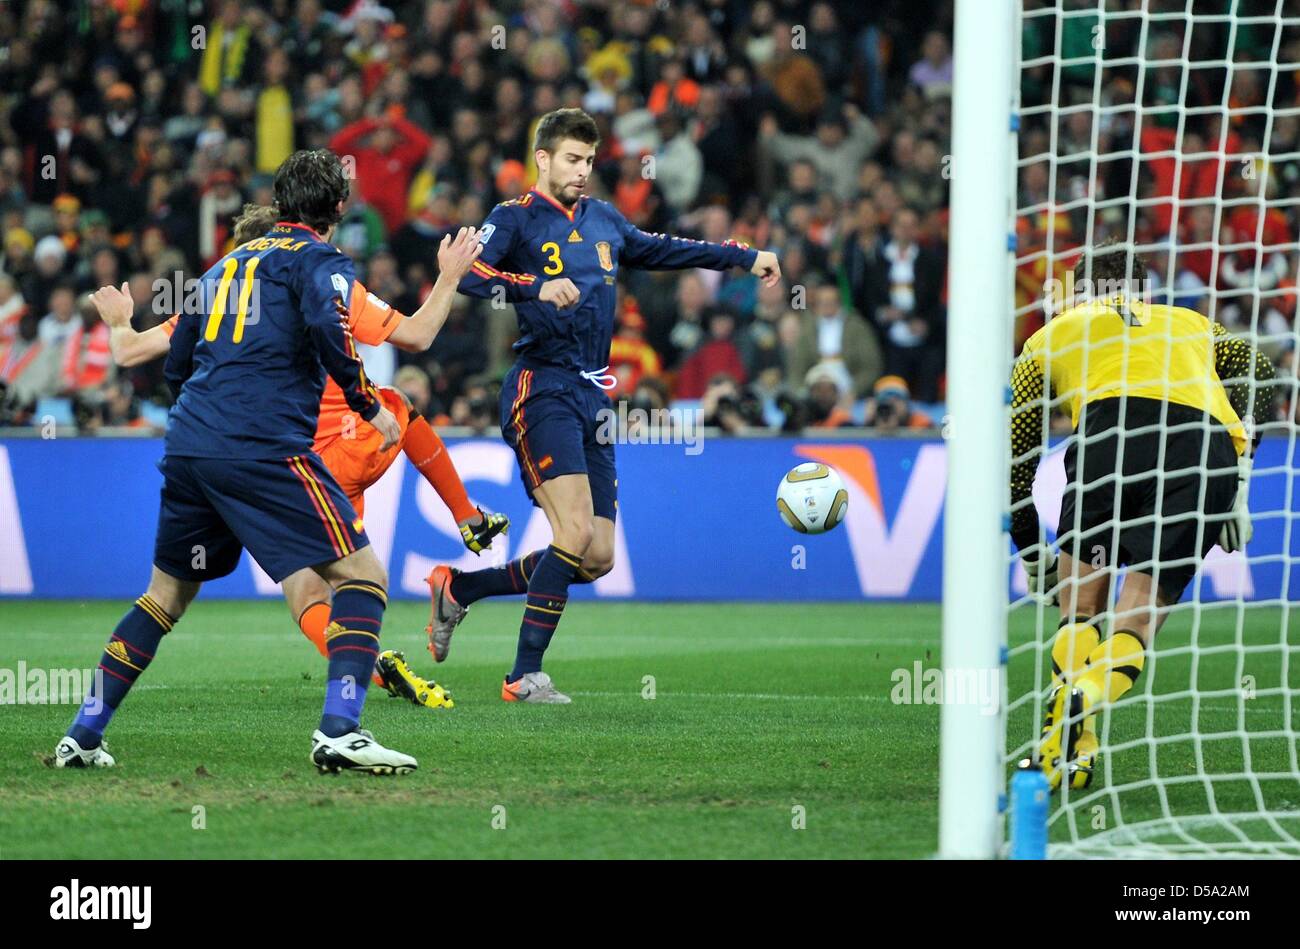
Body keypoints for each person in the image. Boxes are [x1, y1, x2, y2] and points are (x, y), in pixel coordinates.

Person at [55, 149, 414, 774]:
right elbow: (334, 335)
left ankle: (84, 734)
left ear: (279, 202)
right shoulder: (319, 260)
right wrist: (367, 403)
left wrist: (201, 419)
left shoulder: (223, 266)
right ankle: (340, 731)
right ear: (338, 208)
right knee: (363, 575)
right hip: (264, 447)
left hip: (193, 444)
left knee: (163, 596)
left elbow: (176, 362)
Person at [93, 203, 504, 709]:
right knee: (397, 407)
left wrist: (117, 322)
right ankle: (467, 519)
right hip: (333, 453)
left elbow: (130, 354)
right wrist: (448, 278)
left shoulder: (220, 290)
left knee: (304, 598)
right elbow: (418, 335)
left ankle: (369, 674)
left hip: (269, 462)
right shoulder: (318, 278)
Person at [432, 108, 780, 703]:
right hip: (539, 386)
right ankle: (523, 676)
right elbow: (466, 275)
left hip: (592, 395)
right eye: (572, 158)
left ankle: (459, 591)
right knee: (571, 529)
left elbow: (663, 248)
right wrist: (532, 286)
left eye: (589, 160)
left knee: (596, 556)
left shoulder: (604, 219)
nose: (582, 170)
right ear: (542, 158)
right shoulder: (513, 218)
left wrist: (742, 257)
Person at [1009, 239, 1276, 792]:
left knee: (1079, 607)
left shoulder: (1047, 339)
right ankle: (1086, 704)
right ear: (1145, 292)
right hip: (1202, 449)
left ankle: (1071, 738)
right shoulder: (1191, 324)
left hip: (1110, 438)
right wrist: (1240, 482)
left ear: (1077, 292)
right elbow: (1263, 372)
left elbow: (1019, 458)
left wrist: (1031, 548)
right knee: (1140, 616)